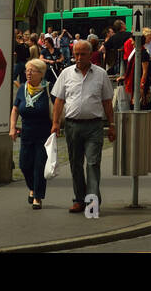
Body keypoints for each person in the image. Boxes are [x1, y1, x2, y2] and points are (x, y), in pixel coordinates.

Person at [50, 40, 115, 214]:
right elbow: (59, 100)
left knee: (93, 164)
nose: (78, 58)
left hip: (94, 125)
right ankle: (79, 199)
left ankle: (92, 202)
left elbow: (107, 101)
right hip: (72, 126)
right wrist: (56, 123)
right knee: (75, 164)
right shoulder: (66, 73)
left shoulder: (101, 74)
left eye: (82, 54)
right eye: (76, 54)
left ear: (90, 54)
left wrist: (112, 124)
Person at [10, 58, 52, 210]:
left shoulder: (48, 88)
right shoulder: (22, 89)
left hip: (44, 133)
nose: (28, 73)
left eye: (32, 71)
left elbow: (58, 106)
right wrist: (12, 128)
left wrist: (56, 126)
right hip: (26, 132)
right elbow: (15, 109)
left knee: (39, 166)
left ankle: (38, 196)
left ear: (40, 74)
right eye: (27, 70)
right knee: (24, 165)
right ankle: (32, 188)